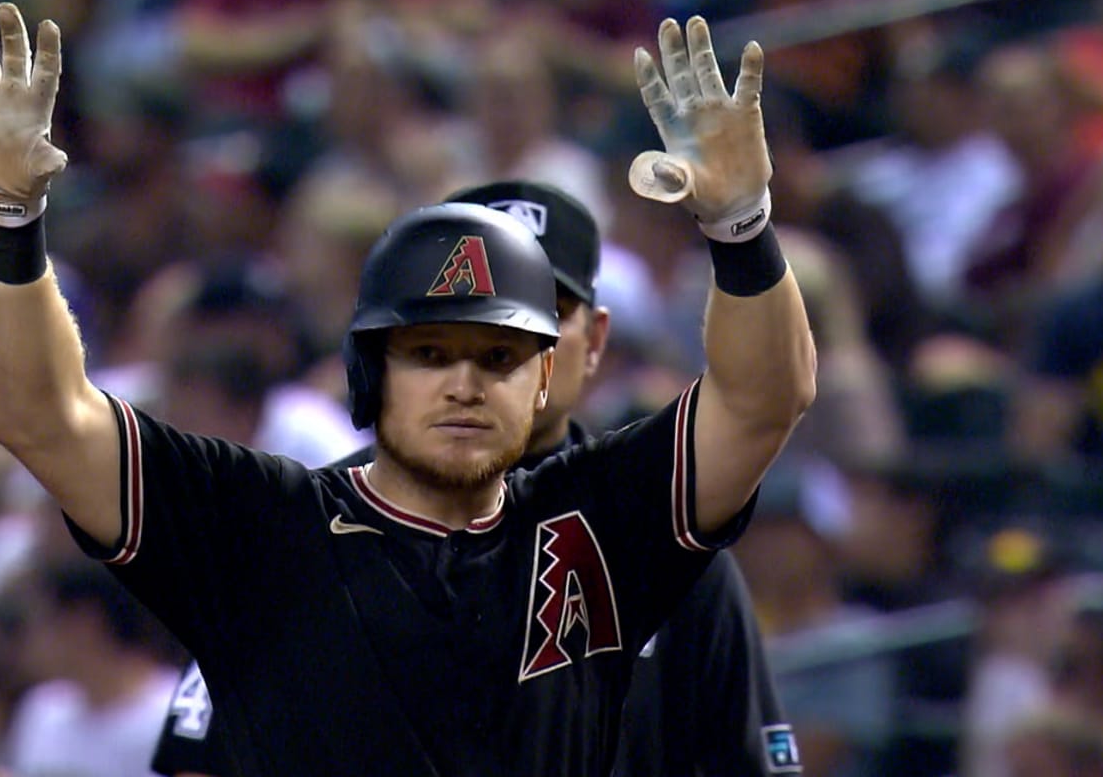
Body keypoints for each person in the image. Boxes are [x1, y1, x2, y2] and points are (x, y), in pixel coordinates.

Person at [0, 2, 815, 777]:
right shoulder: (266, 528)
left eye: (499, 357)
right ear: (369, 370)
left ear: (548, 375)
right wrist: (9, 222)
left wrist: (741, 227)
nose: (465, 382)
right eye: (430, 353)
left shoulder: (601, 521)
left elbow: (762, 399)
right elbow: (39, 416)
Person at [150, 180, 801, 776]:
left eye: (543, 309)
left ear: (592, 339)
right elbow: (200, 758)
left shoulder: (669, 536)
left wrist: (741, 222)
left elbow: (751, 760)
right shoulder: (307, 526)